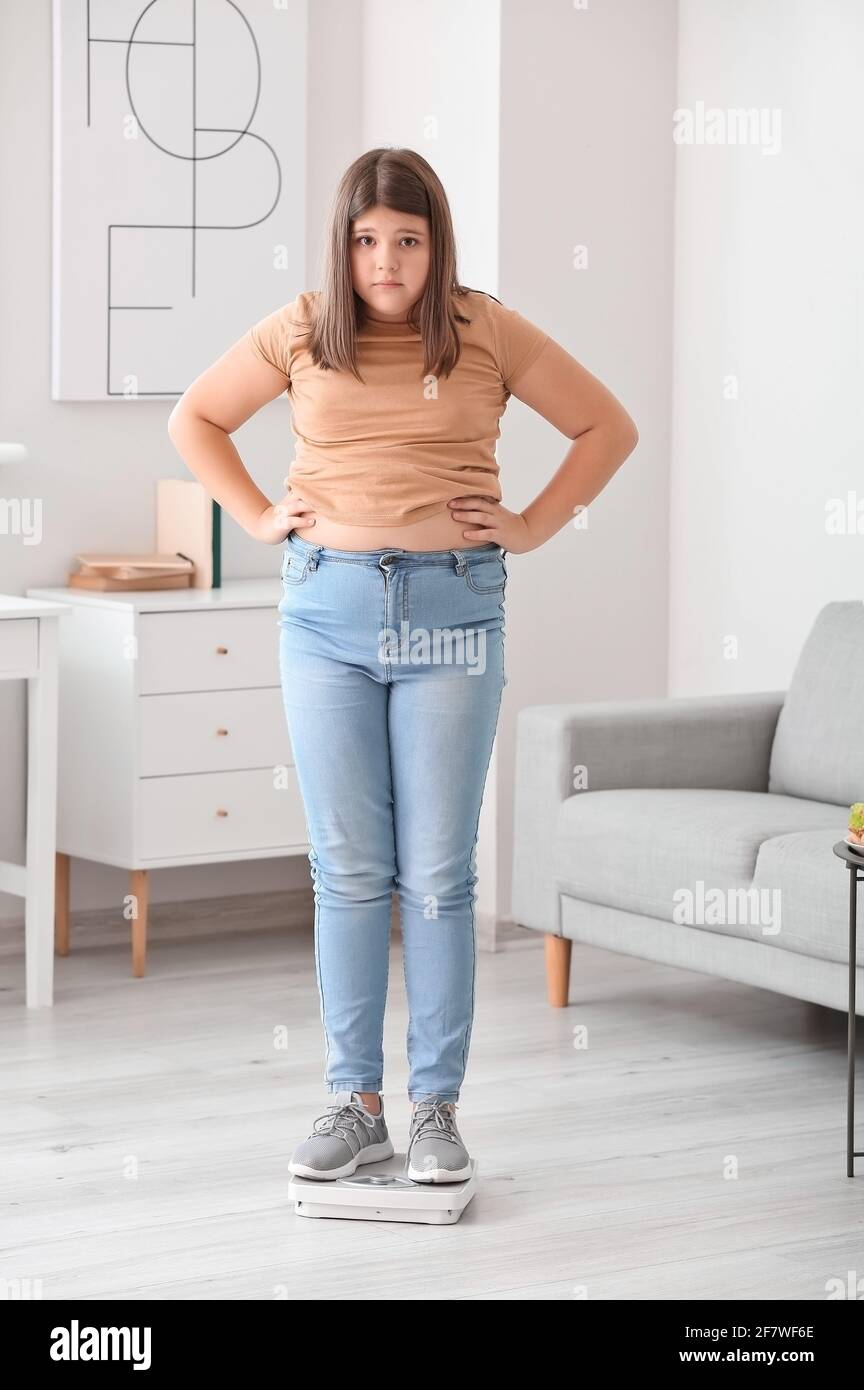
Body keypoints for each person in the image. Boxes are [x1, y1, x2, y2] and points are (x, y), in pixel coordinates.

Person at [168, 146, 638, 1185]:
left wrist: (530, 526)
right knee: (347, 872)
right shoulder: (300, 329)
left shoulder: (484, 328)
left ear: (438, 245)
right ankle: (354, 1100)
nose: (387, 261)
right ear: (343, 244)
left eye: (408, 240)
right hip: (325, 615)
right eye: (367, 239)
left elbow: (609, 425)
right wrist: (253, 514)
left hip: (452, 615)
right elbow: (192, 417)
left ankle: (435, 1110)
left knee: (436, 875)